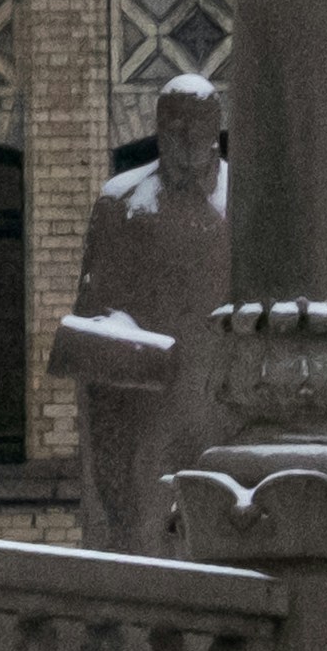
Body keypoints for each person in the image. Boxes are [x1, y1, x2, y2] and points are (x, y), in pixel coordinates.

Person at [54, 72, 231, 553]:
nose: (186, 137)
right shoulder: (122, 200)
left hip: (222, 396)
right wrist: (126, 342)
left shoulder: (244, 201)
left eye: (198, 125)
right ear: (158, 129)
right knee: (142, 527)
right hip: (146, 401)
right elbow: (94, 307)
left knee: (219, 521)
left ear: (216, 128)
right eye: (174, 125)